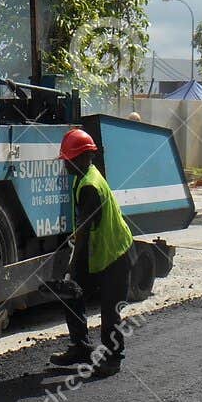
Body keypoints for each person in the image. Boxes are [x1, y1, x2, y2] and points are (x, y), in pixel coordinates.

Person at [49, 127, 135, 378]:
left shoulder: (90, 187)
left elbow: (85, 233)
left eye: (68, 161)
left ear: (82, 159)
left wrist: (72, 267)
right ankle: (80, 346)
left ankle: (112, 360)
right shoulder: (82, 176)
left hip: (117, 254)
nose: (65, 166)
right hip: (102, 252)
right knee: (72, 293)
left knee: (110, 310)